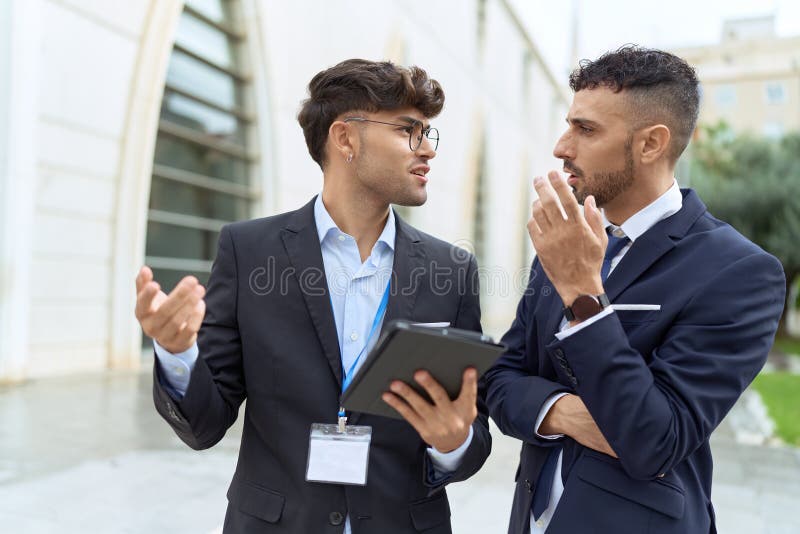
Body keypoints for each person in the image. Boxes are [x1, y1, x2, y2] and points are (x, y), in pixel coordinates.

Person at [135, 59, 490, 534]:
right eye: (409, 130)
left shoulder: (452, 269)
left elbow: (475, 431)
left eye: (428, 134)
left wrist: (453, 442)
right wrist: (178, 354)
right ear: (345, 138)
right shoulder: (249, 251)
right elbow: (204, 426)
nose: (427, 149)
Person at [484, 45, 785, 534]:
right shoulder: (568, 242)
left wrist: (583, 293)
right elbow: (499, 379)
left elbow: (653, 440)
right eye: (568, 125)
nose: (562, 146)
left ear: (651, 144)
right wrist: (564, 413)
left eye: (586, 129)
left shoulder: (740, 272)